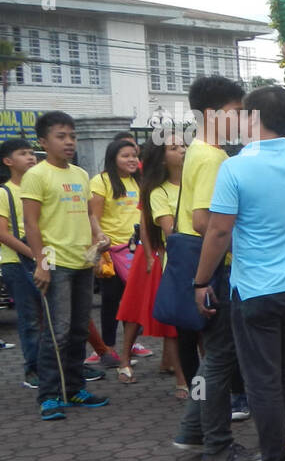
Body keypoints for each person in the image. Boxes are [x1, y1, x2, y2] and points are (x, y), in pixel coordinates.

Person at [193, 44, 285, 461]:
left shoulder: (235, 168)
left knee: (262, 380)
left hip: (254, 291)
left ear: (251, 120)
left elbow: (217, 232)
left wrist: (201, 279)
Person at [171, 75, 258, 461]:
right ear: (211, 114)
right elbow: (206, 221)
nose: (240, 118)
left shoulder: (201, 150)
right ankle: (218, 447)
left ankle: (192, 432)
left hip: (201, 268)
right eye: (235, 112)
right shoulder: (213, 157)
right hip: (214, 271)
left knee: (214, 359)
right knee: (221, 358)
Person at [20, 112, 110, 421]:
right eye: (61, 136)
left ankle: (74, 389)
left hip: (82, 261)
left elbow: (89, 214)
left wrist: (99, 235)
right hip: (55, 264)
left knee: (77, 329)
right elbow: (30, 224)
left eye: (72, 135)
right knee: (56, 333)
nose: (69, 141)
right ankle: (49, 396)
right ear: (44, 142)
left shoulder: (81, 175)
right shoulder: (37, 175)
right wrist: (41, 264)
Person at [117, 137, 186, 391]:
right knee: (136, 311)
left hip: (177, 257)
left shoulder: (194, 183)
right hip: (155, 255)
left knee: (176, 318)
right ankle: (124, 360)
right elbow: (146, 224)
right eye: (174, 147)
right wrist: (148, 255)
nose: (182, 150)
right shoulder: (154, 189)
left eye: (183, 146)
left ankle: (172, 364)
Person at [88, 136, 141, 368]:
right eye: (125, 156)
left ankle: (130, 347)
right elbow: (93, 217)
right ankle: (106, 348)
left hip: (136, 251)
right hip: (112, 252)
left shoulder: (139, 181)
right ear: (113, 158)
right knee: (110, 301)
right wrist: (98, 247)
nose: (132, 160)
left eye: (134, 156)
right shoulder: (101, 181)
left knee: (134, 302)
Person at [0, 138, 41, 388]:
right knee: (31, 318)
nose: (31, 157)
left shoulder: (38, 187)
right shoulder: (4, 192)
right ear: (8, 161)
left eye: (32, 152)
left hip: (42, 259)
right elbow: (3, 233)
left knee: (52, 316)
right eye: (23, 153)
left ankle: (57, 364)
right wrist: (33, 253)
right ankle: (33, 369)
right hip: (16, 263)